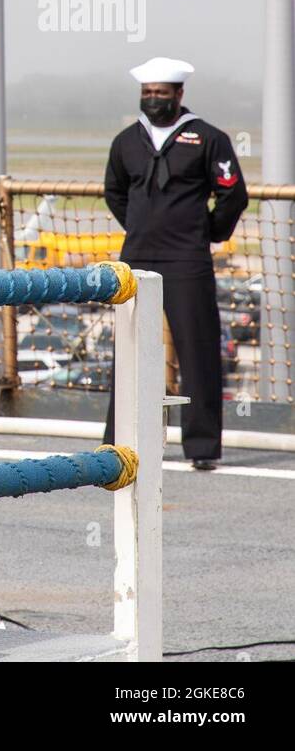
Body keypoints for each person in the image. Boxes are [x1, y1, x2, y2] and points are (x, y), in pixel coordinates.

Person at [102, 56, 248, 469]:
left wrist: (209, 232)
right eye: (147, 94)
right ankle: (116, 442)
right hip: (137, 258)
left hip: (188, 258)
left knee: (198, 350)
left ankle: (202, 448)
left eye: (161, 94)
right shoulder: (126, 141)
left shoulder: (208, 138)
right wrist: (138, 226)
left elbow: (233, 194)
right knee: (126, 349)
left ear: (179, 94)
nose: (153, 100)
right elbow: (114, 192)